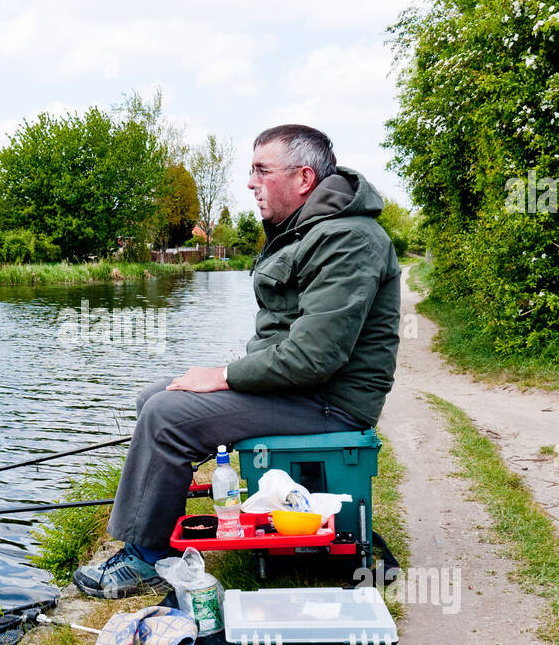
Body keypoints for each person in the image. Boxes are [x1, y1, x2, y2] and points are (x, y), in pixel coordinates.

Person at [74, 124, 401, 598]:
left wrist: (225, 376)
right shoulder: (306, 229)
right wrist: (225, 381)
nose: (251, 183)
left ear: (304, 178)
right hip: (300, 391)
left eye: (262, 171)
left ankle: (146, 556)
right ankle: (161, 525)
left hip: (328, 400)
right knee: (157, 396)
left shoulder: (348, 240)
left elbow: (314, 357)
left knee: (168, 415)